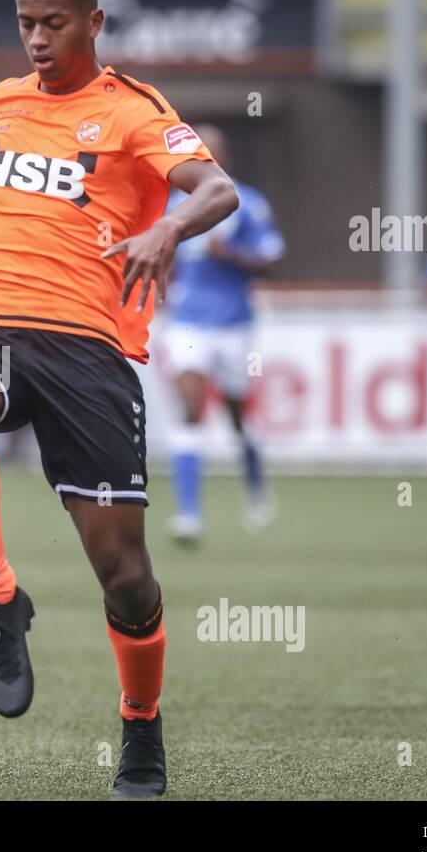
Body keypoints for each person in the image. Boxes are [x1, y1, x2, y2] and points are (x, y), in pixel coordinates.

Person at [0, 0, 237, 797]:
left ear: (93, 20)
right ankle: (0, 600)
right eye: (26, 24)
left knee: (125, 578)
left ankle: (140, 724)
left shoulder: (132, 111)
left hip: (88, 349)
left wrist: (167, 230)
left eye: (54, 23)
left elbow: (217, 190)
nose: (38, 40)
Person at [158, 125, 283, 544]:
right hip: (189, 321)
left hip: (234, 324)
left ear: (224, 158)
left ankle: (256, 490)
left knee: (236, 416)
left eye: (213, 151)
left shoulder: (247, 204)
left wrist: (227, 254)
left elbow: (271, 261)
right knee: (190, 408)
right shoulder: (174, 205)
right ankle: (189, 516)